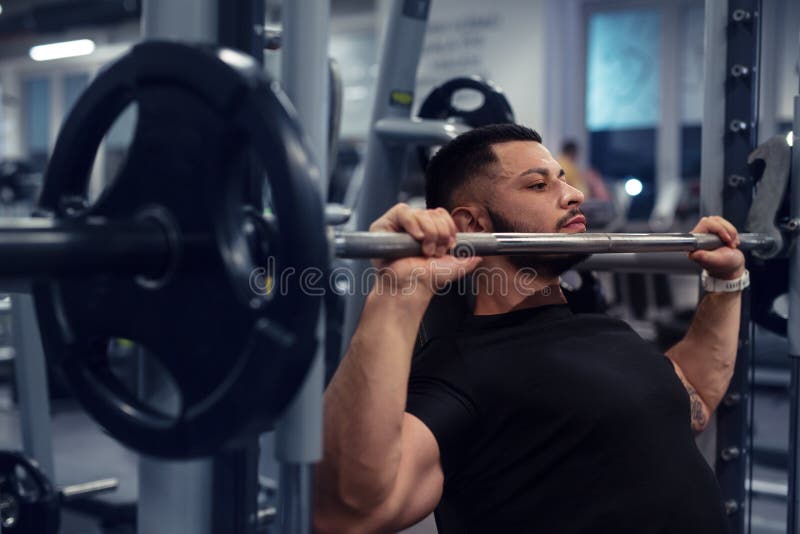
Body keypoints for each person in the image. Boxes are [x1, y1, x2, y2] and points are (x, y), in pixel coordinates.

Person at [315, 124, 744, 533]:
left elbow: (696, 394)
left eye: (563, 180)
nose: (574, 195)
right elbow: (347, 512)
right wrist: (398, 291)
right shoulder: (460, 371)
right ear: (473, 225)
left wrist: (726, 282)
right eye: (539, 185)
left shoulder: (607, 331)